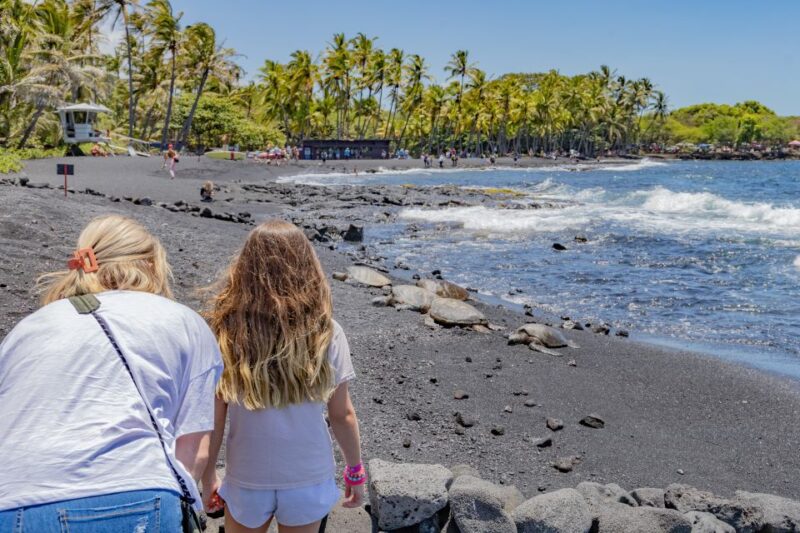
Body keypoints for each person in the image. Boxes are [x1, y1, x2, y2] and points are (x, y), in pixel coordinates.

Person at [0, 215, 222, 532]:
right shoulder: (183, 322)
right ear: (150, 264)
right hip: (133, 490)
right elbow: (193, 451)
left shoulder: (28, 328)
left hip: (16, 499)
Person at [202, 220, 365, 533]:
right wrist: (354, 471)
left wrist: (208, 475)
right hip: (307, 476)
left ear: (245, 269)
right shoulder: (326, 331)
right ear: (307, 267)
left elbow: (214, 418)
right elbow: (342, 415)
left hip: (247, 476)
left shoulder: (227, 332)